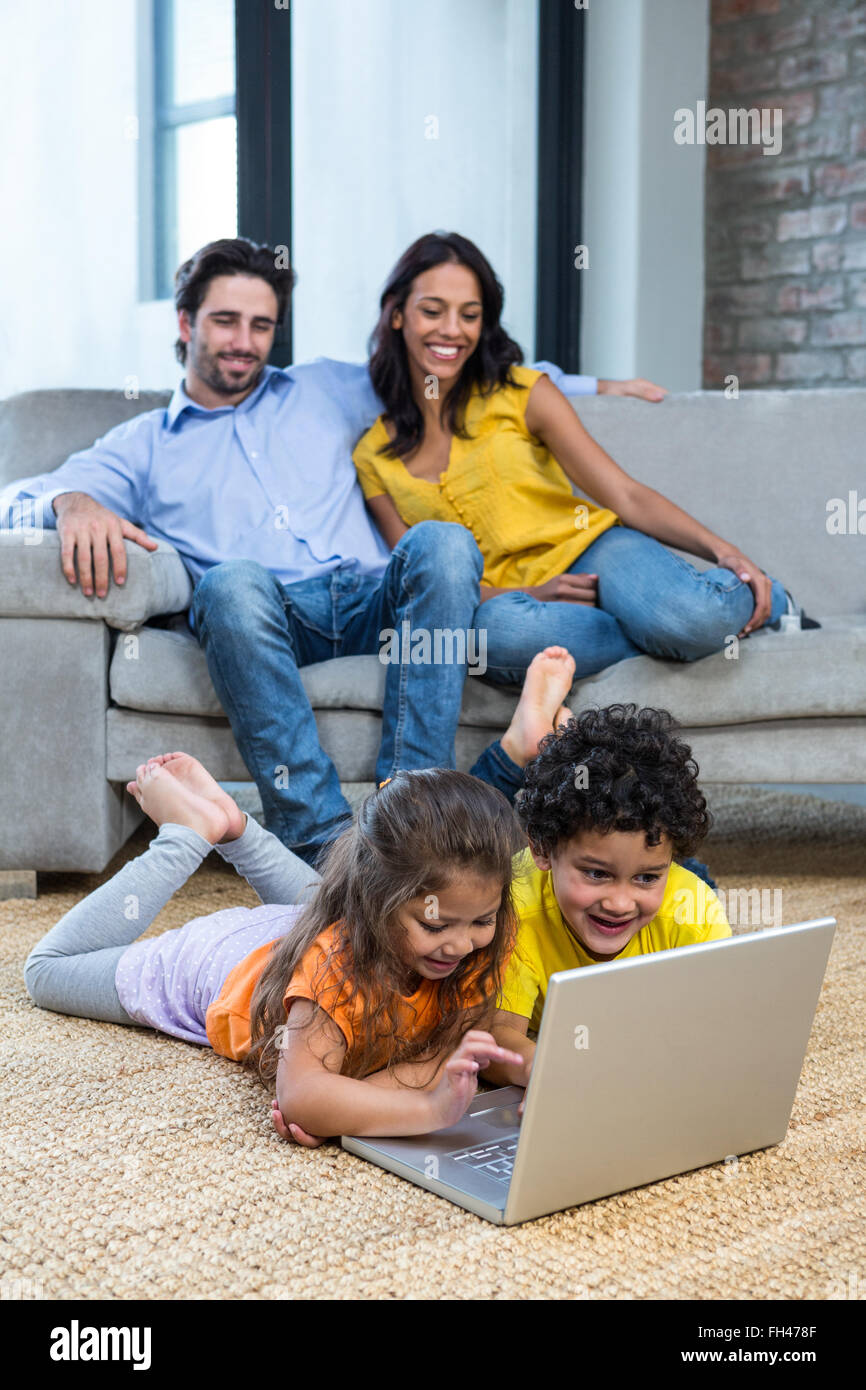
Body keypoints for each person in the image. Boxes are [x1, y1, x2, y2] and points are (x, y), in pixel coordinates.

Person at [1, 238, 666, 866]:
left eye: (261, 326)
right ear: (186, 323)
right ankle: (322, 842)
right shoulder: (145, 443)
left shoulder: (323, 387)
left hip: (377, 599)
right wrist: (73, 503)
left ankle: (414, 813)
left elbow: (456, 366)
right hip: (269, 616)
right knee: (230, 583)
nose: (243, 342)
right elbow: (19, 499)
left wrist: (595, 388)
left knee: (440, 542)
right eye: (225, 321)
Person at [352, 231, 816, 690]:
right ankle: (655, 630)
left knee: (687, 618)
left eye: (470, 315)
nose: (452, 330)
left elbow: (625, 494)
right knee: (491, 641)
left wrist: (724, 552)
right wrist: (530, 594)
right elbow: (424, 583)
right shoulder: (373, 456)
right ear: (396, 314)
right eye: (432, 311)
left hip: (594, 554)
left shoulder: (522, 392)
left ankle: (763, 605)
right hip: (505, 606)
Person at [23, 754, 525, 1142]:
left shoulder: (477, 941)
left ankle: (233, 824)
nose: (462, 943)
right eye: (435, 924)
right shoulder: (333, 966)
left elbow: (443, 1053)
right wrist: (425, 1110)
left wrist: (357, 1107)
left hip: (294, 936)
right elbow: (304, 1094)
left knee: (318, 909)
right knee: (46, 971)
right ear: (374, 903)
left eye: (481, 919)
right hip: (214, 964)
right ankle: (187, 834)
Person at [478, 702, 732, 1090]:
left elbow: (723, 1023)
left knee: (699, 884)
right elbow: (497, 1038)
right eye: (597, 874)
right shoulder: (513, 910)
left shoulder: (693, 909)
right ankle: (550, 737)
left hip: (678, 901)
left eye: (646, 877)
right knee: (471, 848)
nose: (618, 903)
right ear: (544, 850)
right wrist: (544, 1071)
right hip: (533, 877)